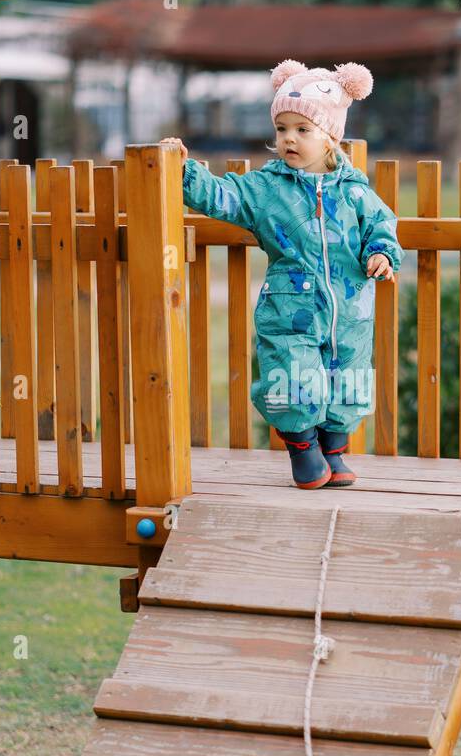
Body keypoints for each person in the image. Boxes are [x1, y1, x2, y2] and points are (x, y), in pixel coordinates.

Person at [160, 58, 403, 489]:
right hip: (291, 310)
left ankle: (334, 447)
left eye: (302, 130)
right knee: (292, 377)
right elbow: (222, 197)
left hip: (350, 312)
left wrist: (383, 253)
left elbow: (382, 226)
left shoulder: (355, 192)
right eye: (282, 129)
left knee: (347, 379)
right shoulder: (267, 189)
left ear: (331, 137)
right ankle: (303, 447)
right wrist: (184, 170)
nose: (289, 139)